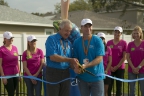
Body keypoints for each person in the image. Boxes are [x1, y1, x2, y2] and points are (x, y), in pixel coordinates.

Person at [45, 19, 78, 96]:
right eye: (66, 30)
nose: (68, 33)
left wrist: (76, 67)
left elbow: (69, 62)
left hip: (66, 73)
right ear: (60, 29)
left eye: (70, 31)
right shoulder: (51, 39)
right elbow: (53, 57)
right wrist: (70, 60)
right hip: (53, 73)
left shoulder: (69, 43)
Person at [73, 18, 105, 96]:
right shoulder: (77, 42)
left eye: (89, 26)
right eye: (85, 26)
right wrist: (76, 67)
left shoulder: (98, 40)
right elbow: (75, 59)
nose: (88, 28)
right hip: (83, 78)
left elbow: (99, 58)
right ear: (81, 28)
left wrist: (86, 65)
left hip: (96, 78)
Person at [107, 26, 127, 96]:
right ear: (113, 32)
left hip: (120, 68)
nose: (117, 34)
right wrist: (110, 66)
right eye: (116, 32)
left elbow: (124, 56)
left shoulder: (124, 43)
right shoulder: (109, 43)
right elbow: (107, 55)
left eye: (119, 32)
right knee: (109, 86)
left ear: (121, 34)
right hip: (110, 68)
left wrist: (117, 66)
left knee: (119, 87)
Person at [0, 31, 20, 96]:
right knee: (11, 93)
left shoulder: (15, 48)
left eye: (12, 38)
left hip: (15, 74)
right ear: (5, 39)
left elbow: (17, 61)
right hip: (7, 74)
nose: (11, 39)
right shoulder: (1, 50)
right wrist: (3, 77)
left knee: (12, 92)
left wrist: (19, 73)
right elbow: (0, 64)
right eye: (9, 38)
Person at [126, 26, 144, 96]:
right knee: (132, 90)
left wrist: (138, 67)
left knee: (143, 89)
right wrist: (133, 68)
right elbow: (127, 57)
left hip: (142, 70)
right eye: (134, 33)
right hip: (131, 70)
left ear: (140, 34)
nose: (136, 35)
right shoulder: (130, 44)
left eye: (137, 33)